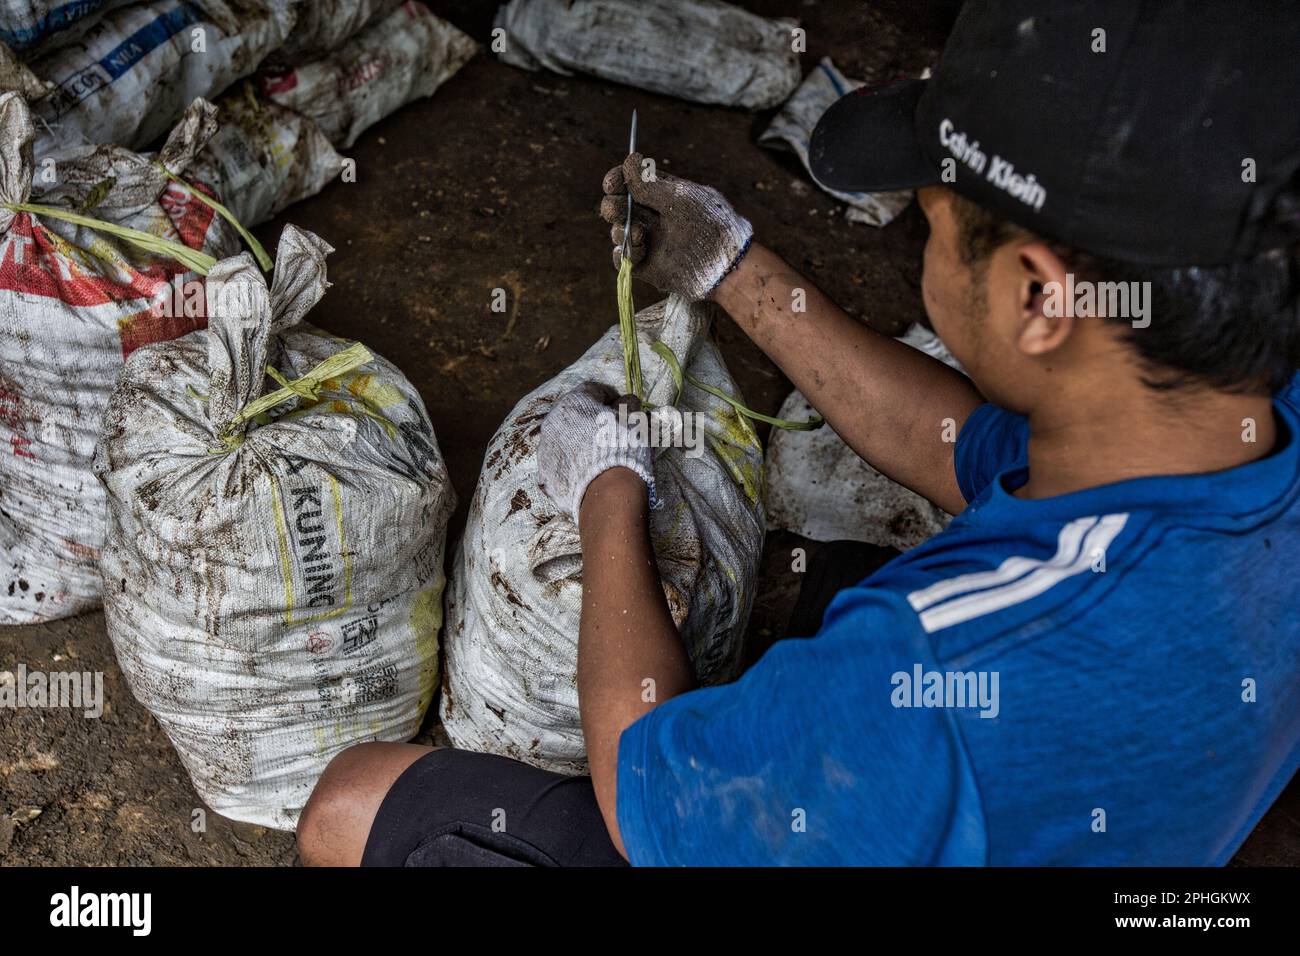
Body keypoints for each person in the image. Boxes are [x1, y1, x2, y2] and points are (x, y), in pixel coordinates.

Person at [296, 0, 1300, 866]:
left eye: (936, 224)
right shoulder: (1215, 426)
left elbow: (641, 777)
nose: (920, 235)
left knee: (353, 806)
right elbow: (955, 439)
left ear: (1039, 296)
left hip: (833, 786)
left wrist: (607, 492)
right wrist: (733, 266)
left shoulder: (925, 671)